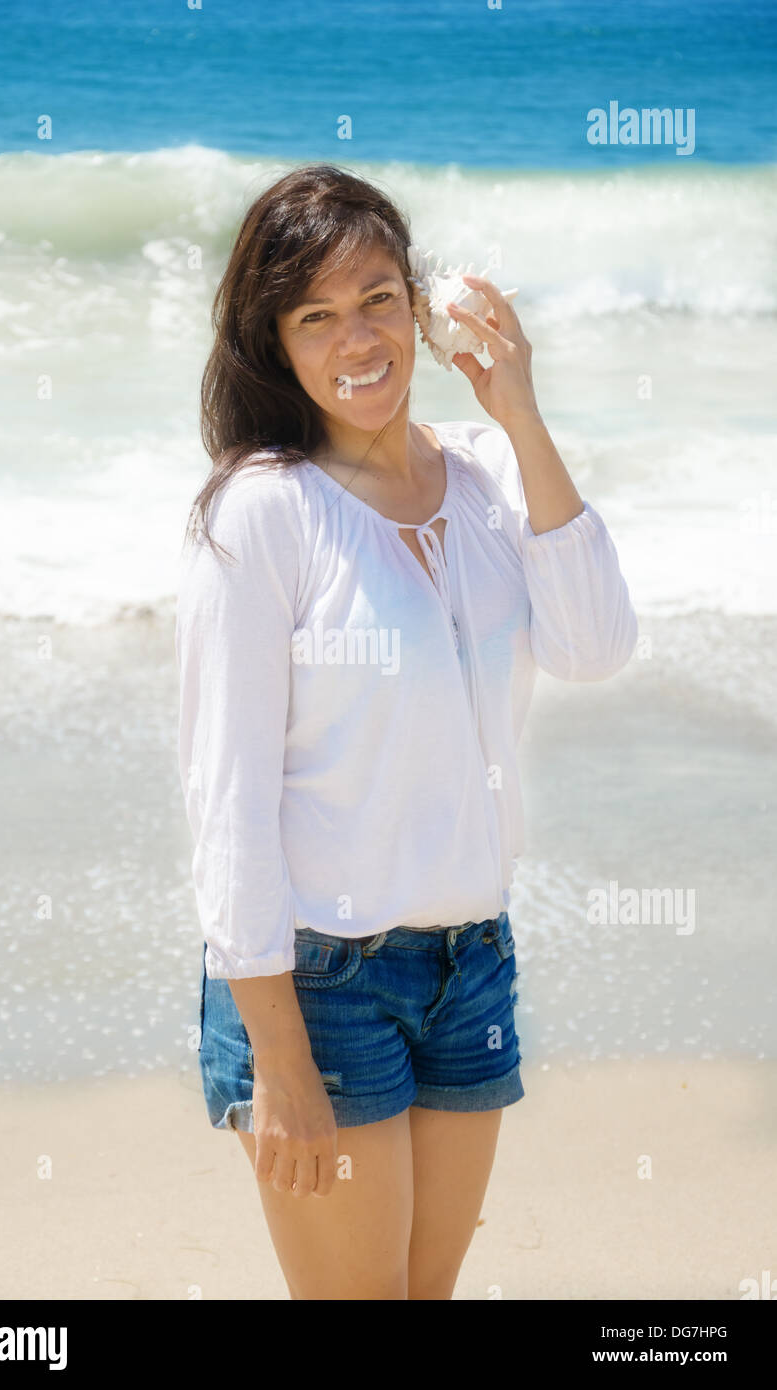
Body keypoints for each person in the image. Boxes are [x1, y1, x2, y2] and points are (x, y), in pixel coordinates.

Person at [175, 163, 638, 1300]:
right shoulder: (261, 514)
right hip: (320, 980)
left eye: (379, 298)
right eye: (316, 316)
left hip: (469, 961)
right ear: (274, 341)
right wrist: (277, 1051)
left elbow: (595, 645)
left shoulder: (482, 480)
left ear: (419, 307)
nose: (358, 339)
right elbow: (224, 797)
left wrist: (519, 412)